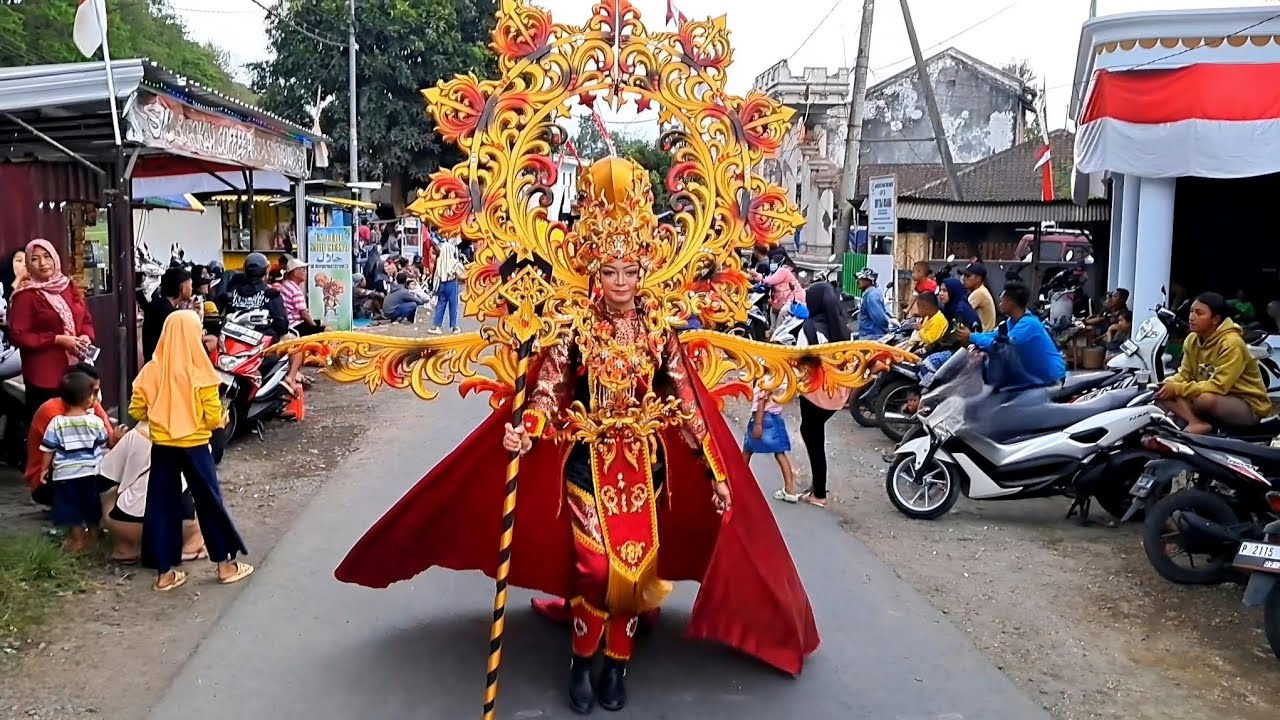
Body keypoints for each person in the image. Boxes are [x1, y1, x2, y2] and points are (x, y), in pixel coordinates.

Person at [332, 157, 817, 713]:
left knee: (635, 573)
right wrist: (526, 431)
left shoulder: (658, 332)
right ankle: (582, 663)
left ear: (643, 275)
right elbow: (549, 392)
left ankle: (616, 665)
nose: (619, 283)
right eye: (609, 272)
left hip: (644, 466)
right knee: (595, 569)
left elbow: (687, 403)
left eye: (628, 272)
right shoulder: (577, 331)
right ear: (594, 275)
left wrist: (714, 471)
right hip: (587, 461)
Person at [132, 311, 252, 592]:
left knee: (161, 506)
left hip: (162, 446)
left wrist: (163, 411)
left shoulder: (151, 370)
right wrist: (219, 417)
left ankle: (164, 574)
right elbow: (213, 418)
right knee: (209, 502)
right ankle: (224, 566)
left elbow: (136, 409)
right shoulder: (201, 370)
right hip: (196, 446)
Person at [1156, 292, 1271, 434]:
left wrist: (1178, 389)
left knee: (1203, 399)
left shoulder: (1231, 343)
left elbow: (1219, 386)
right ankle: (1195, 422)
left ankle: (1196, 422)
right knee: (1160, 393)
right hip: (1213, 395)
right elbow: (1185, 374)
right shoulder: (1192, 339)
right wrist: (1167, 384)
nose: (1192, 317)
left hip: (1246, 405)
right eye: (1191, 312)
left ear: (1215, 319)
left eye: (1199, 313)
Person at [100, 420, 208, 564]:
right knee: (197, 492)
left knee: (112, 493)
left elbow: (104, 478)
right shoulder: (194, 433)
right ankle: (191, 544)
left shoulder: (136, 434)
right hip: (176, 523)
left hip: (129, 524)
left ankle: (127, 547)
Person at [8, 239, 96, 416]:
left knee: (79, 425)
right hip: (45, 377)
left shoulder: (66, 285)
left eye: (47, 256)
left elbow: (84, 317)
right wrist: (57, 340)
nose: (43, 263)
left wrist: (86, 336)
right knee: (48, 430)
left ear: (55, 258)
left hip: (77, 373)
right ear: (27, 263)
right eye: (35, 258)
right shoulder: (25, 295)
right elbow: (18, 335)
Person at [39, 371, 111, 553]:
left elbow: (48, 448)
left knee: (70, 507)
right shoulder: (95, 422)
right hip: (90, 473)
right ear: (89, 399)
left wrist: (43, 470)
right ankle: (94, 537)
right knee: (91, 505)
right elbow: (102, 442)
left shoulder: (56, 423)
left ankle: (77, 540)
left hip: (65, 475)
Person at [25, 363, 115, 507]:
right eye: (94, 392)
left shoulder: (91, 405)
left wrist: (119, 438)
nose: (96, 398)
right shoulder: (52, 413)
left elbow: (110, 440)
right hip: (53, 481)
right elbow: (56, 456)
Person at [797, 280, 853, 509]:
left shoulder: (809, 328)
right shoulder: (844, 329)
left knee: (812, 436)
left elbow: (800, 359)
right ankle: (816, 485)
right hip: (838, 392)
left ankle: (819, 493)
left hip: (815, 392)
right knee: (814, 434)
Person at [955, 281, 1067, 389]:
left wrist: (972, 337)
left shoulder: (1028, 324)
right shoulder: (1011, 322)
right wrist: (974, 337)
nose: (1000, 304)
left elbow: (1001, 346)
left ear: (1011, 303)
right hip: (1034, 380)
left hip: (1052, 380)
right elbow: (994, 335)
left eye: (1002, 301)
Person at [743, 382, 797, 502]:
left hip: (761, 418)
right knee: (780, 453)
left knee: (747, 450)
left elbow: (761, 402)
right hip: (776, 418)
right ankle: (790, 489)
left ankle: (737, 480)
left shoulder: (765, 382)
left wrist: (757, 424)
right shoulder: (782, 379)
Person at [279, 257, 325, 387]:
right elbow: (304, 314)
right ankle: (328, 362)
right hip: (295, 326)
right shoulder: (295, 289)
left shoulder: (285, 285)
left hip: (290, 323)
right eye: (302, 269)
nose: (305, 272)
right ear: (294, 272)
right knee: (327, 331)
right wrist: (316, 328)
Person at [222, 252, 289, 340]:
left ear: (245, 269)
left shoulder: (231, 293)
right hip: (262, 342)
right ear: (267, 270)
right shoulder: (271, 295)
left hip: (232, 338)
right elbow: (282, 326)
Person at [429, 237, 465, 334]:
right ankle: (454, 327)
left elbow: (436, 274)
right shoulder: (454, 261)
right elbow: (462, 274)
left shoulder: (439, 260)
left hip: (442, 284)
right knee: (453, 305)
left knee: (441, 305)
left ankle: (437, 327)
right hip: (452, 284)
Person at [960, 262, 997, 331]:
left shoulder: (979, 293)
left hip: (983, 335)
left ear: (978, 279)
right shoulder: (980, 290)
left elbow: (962, 312)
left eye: (968, 276)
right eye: (964, 275)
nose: (964, 279)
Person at [854, 267, 890, 338]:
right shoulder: (871, 293)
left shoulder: (871, 296)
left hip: (872, 335)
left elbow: (879, 317)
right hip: (871, 334)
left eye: (862, 279)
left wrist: (886, 330)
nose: (859, 281)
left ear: (870, 281)